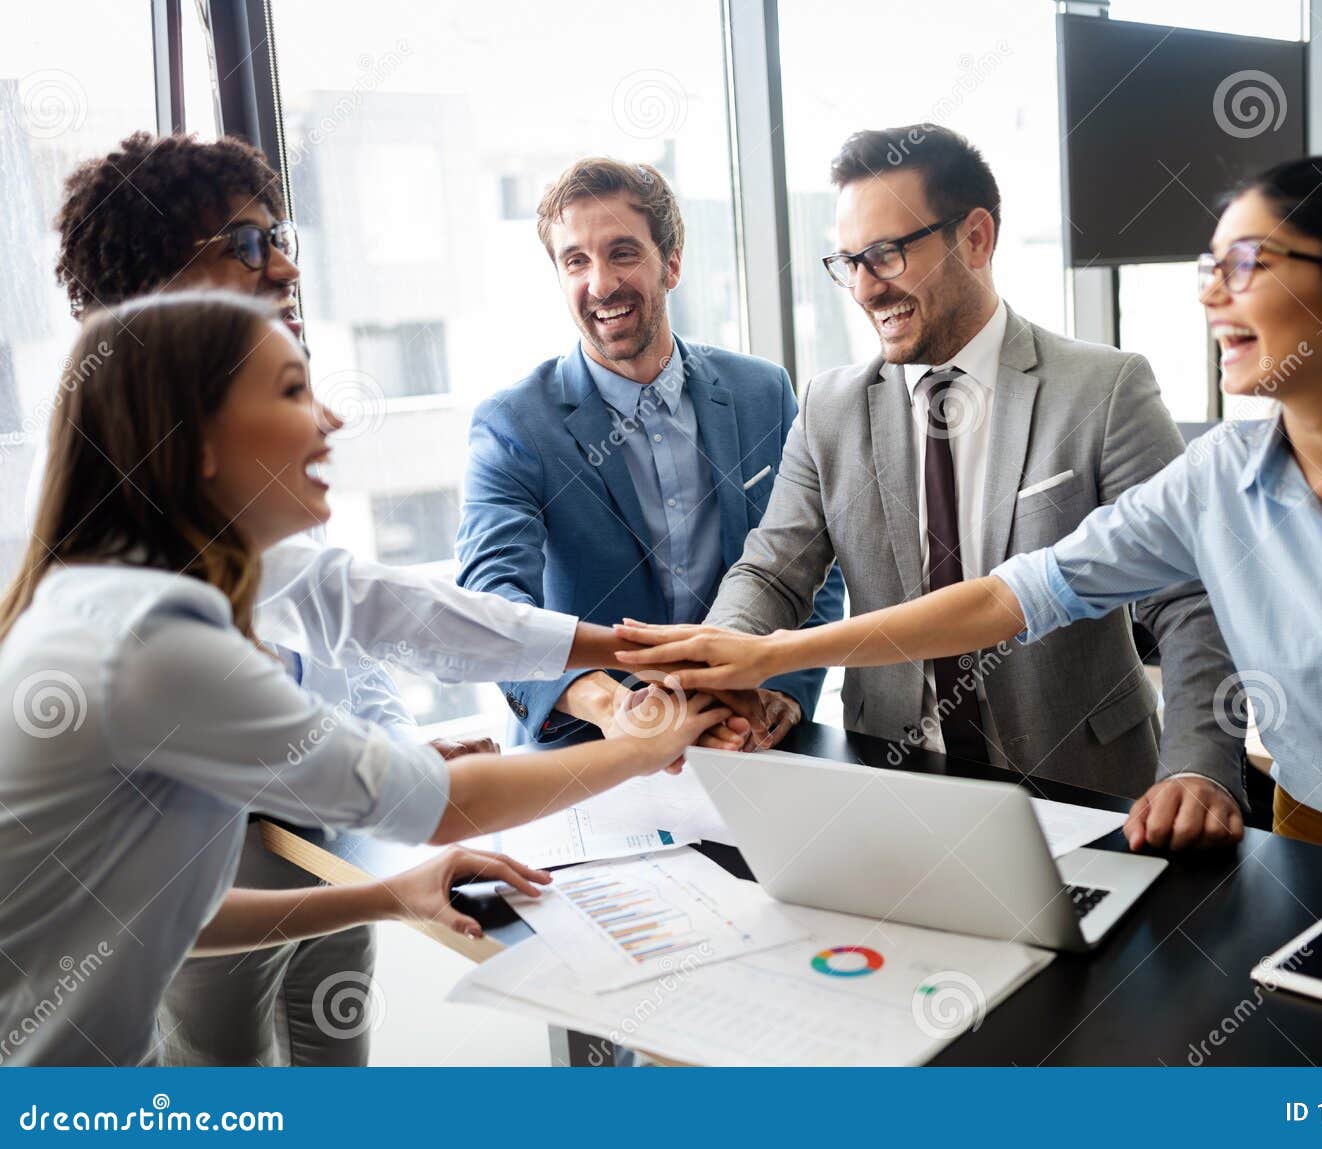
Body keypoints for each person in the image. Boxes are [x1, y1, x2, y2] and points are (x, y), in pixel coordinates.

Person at [613, 157, 1322, 956]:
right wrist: (764, 654)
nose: (1213, 293)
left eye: (1246, 264)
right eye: (1208, 267)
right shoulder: (1218, 476)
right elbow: (1010, 596)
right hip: (1306, 855)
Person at [49, 131, 718, 1066]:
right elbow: (416, 761)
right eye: (247, 244)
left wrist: (608, 648)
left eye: (277, 233)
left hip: (252, 856)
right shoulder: (154, 563)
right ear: (165, 282)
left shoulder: (182, 497)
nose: (283, 262)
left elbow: (352, 616)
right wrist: (641, 738)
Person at [693, 125, 1244, 841]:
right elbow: (773, 571)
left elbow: (1190, 598)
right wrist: (722, 660)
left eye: (886, 254)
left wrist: (1197, 766)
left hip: (1087, 796)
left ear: (976, 238)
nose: (864, 287)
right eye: (848, 261)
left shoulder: (1104, 389)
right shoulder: (828, 406)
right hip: (894, 789)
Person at [455, 157, 844, 753]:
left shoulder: (763, 392)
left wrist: (783, 692)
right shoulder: (515, 426)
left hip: (750, 739)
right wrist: (613, 705)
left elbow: (816, 558)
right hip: (589, 749)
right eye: (576, 261)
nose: (602, 284)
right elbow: (492, 602)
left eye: (623, 253)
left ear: (672, 263)